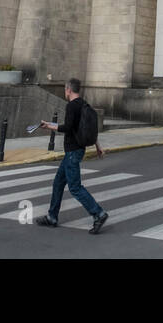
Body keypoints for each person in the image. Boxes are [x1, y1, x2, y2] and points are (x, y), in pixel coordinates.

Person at [35, 78, 108, 234]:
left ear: (68, 89)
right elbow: (89, 129)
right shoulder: (84, 104)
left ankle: (98, 213)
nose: (64, 91)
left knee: (75, 187)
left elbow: (67, 127)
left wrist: (49, 126)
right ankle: (52, 216)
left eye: (65, 89)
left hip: (72, 152)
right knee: (58, 183)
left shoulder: (71, 106)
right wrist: (98, 147)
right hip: (76, 151)